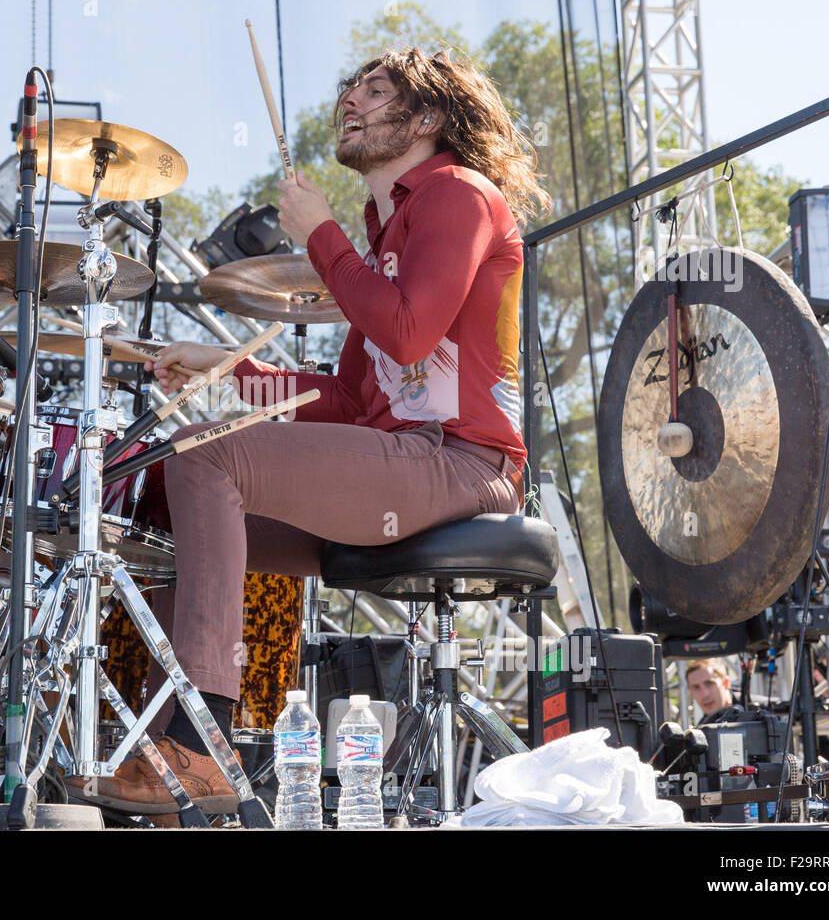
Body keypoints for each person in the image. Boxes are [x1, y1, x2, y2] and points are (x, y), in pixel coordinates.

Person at [72, 48, 551, 814]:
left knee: (205, 459)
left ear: (427, 117)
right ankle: (164, 753)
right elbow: (352, 399)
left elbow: (407, 333)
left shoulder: (458, 193)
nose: (350, 101)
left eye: (375, 90)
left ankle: (203, 745)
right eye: (349, 90)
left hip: (462, 465)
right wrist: (231, 370)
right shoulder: (386, 237)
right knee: (160, 496)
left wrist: (321, 234)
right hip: (405, 465)